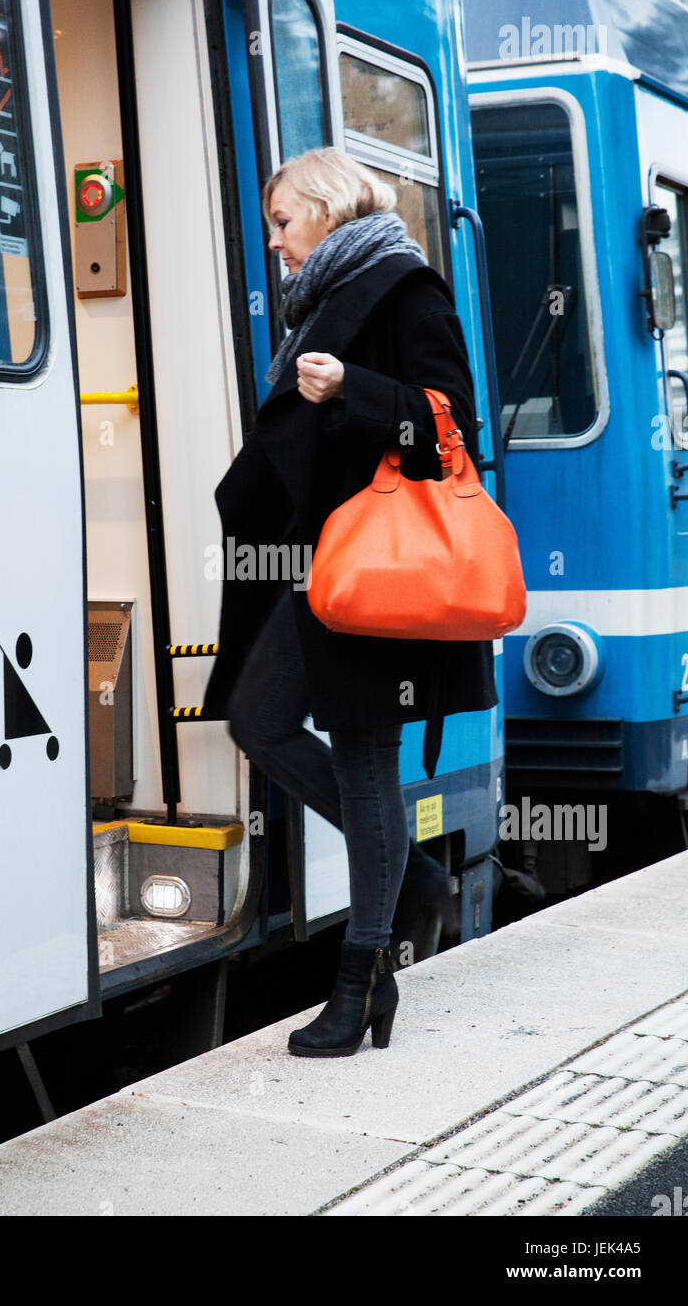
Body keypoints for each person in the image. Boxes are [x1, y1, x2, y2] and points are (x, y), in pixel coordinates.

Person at [202, 147, 497, 1056]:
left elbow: (450, 420)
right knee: (256, 718)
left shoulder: (405, 287)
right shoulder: (323, 298)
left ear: (328, 210)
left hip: (383, 568)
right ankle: (411, 882)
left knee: (368, 760)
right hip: (317, 564)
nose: (277, 244)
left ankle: (362, 977)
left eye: (284, 223)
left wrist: (354, 391)